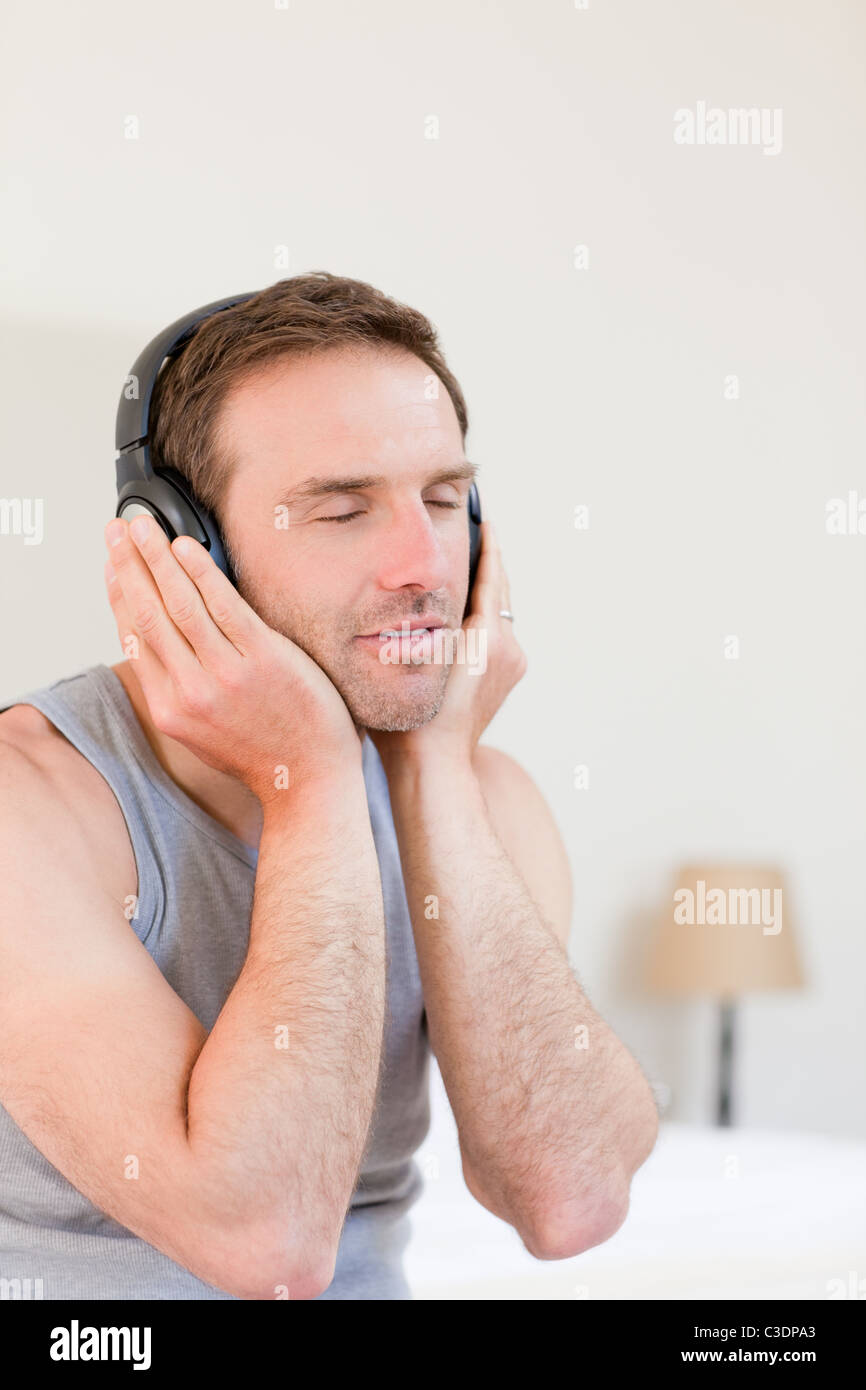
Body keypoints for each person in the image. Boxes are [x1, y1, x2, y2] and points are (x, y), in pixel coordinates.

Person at [0, 272, 658, 1301]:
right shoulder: (29, 805)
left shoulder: (486, 798)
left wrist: (434, 768)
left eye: (443, 500)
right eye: (342, 510)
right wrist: (305, 781)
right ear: (184, 547)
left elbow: (568, 1199)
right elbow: (266, 1246)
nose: (422, 564)